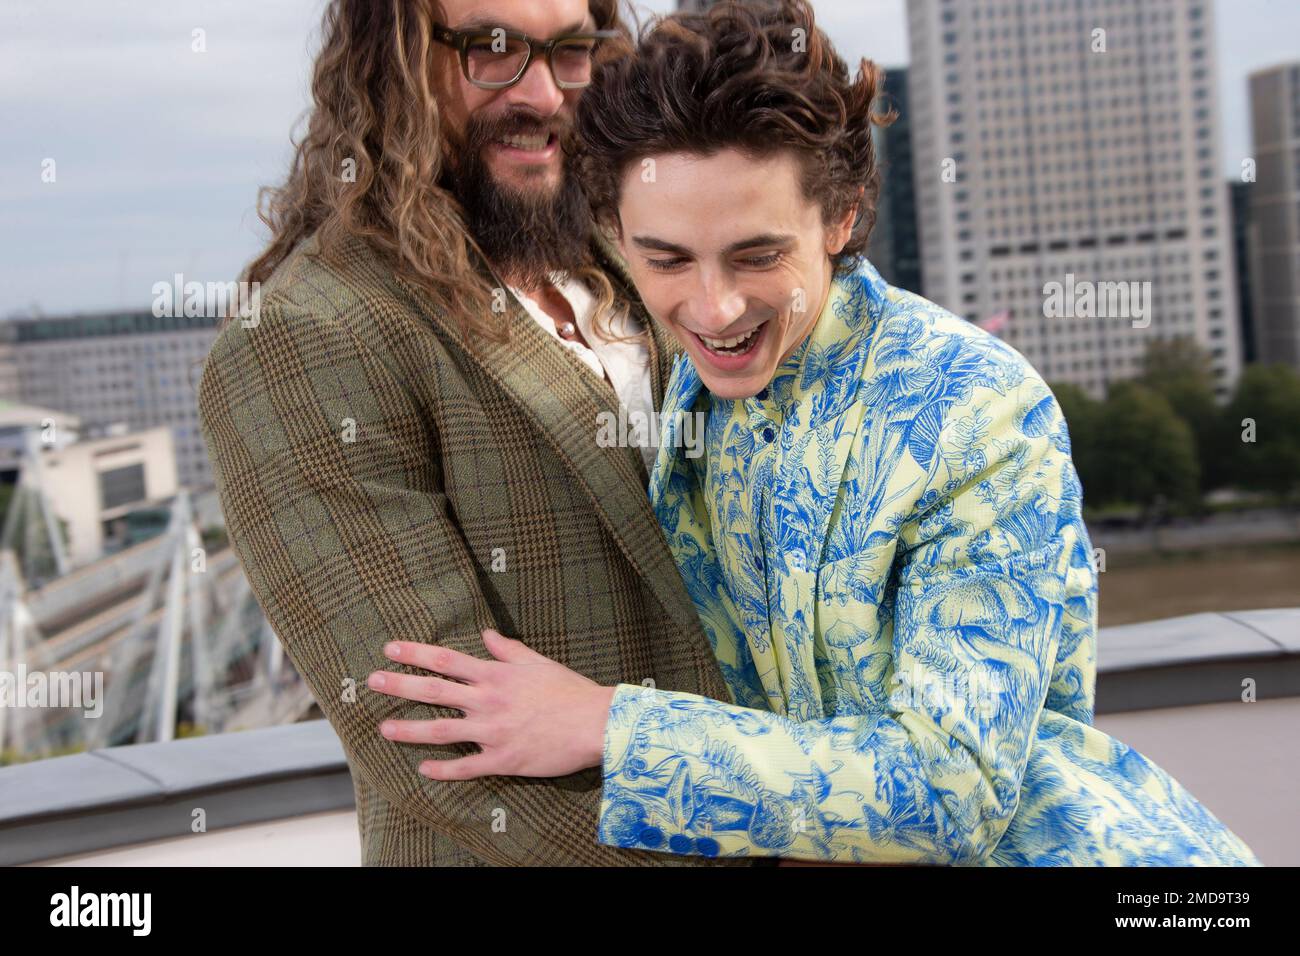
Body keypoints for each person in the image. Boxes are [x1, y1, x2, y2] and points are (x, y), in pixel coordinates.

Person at [369, 0, 1262, 865]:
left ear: (839, 219)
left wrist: (609, 725)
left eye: (758, 256)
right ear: (615, 233)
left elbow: (951, 789)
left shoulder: (978, 410)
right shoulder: (687, 391)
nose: (713, 309)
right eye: (668, 259)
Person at [197, 0, 761, 867]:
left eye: (570, 50)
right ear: (390, 64)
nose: (540, 92)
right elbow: (445, 748)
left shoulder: (643, 259)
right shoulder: (306, 335)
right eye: (490, 50)